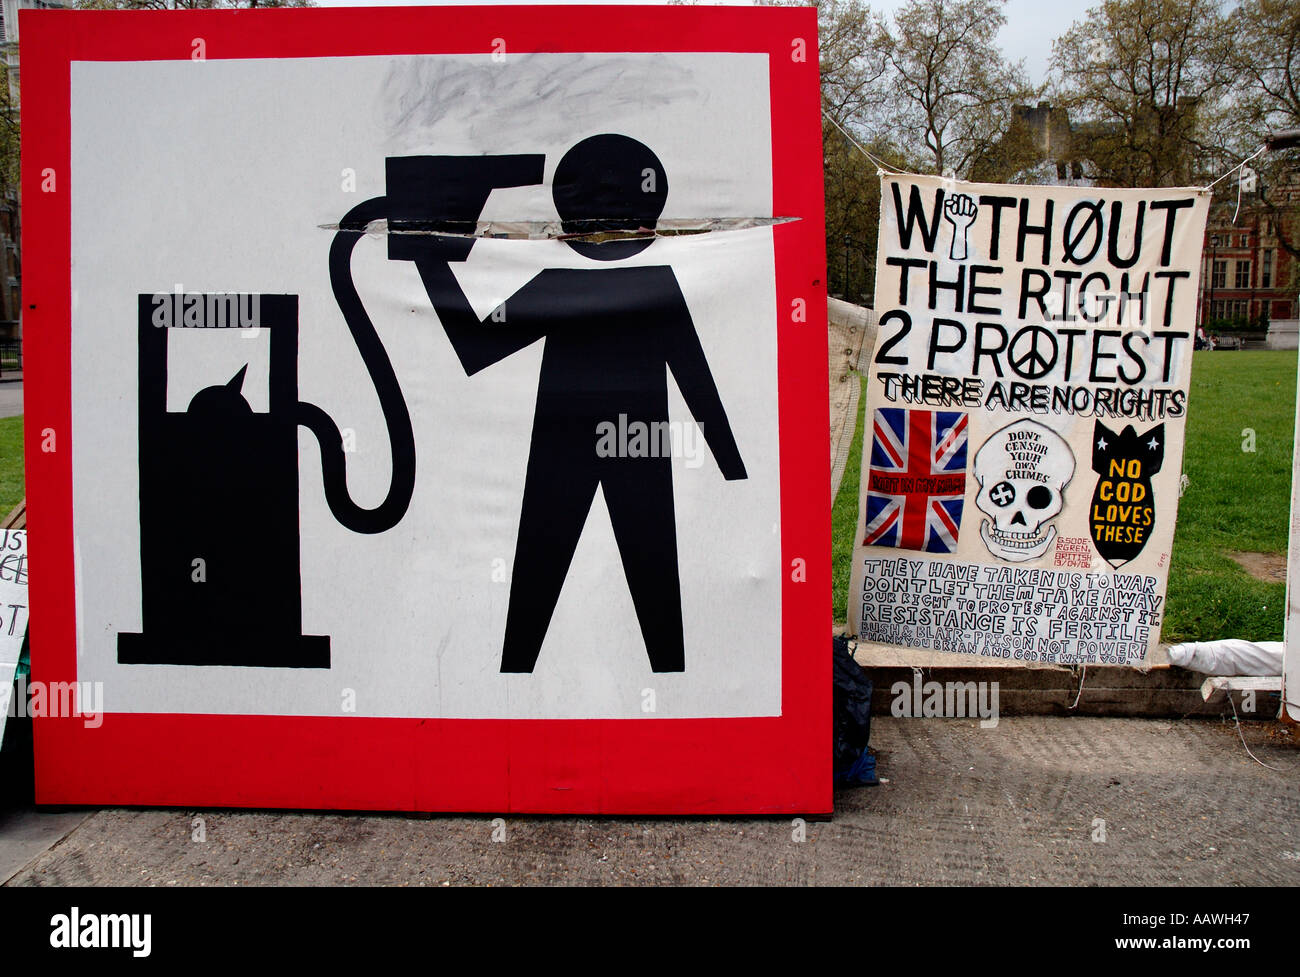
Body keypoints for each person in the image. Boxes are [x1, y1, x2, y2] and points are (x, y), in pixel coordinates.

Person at [414, 134, 747, 673]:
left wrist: (428, 261)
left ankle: (646, 692)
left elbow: (695, 376)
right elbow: (477, 349)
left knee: (639, 577)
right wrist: (729, 466)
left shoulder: (579, 284)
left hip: (602, 446)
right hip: (613, 445)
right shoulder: (628, 285)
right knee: (555, 581)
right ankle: (525, 689)